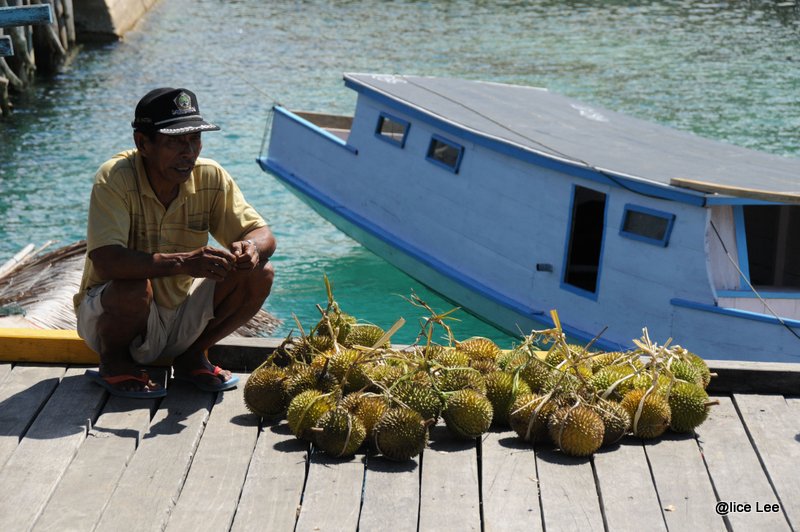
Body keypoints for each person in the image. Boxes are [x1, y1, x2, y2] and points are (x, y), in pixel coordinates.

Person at [74, 87, 276, 398]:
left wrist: (250, 248)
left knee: (261, 272)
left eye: (194, 139)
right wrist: (184, 262)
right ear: (143, 143)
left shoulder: (211, 176)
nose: (188, 151)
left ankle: (192, 355)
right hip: (112, 316)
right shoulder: (114, 178)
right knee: (133, 286)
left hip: (179, 314)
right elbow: (106, 260)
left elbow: (263, 234)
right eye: (174, 142)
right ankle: (114, 362)